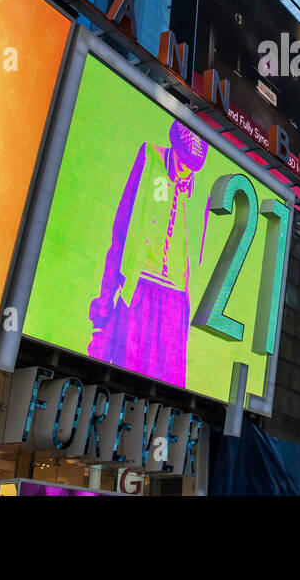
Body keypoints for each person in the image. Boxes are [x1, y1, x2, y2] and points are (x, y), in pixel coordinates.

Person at [89, 120, 210, 388]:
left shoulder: (201, 194)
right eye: (181, 159)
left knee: (167, 388)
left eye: (191, 166)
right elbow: (121, 232)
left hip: (175, 302)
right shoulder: (150, 157)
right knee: (126, 379)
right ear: (173, 148)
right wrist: (105, 302)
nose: (184, 169)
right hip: (141, 286)